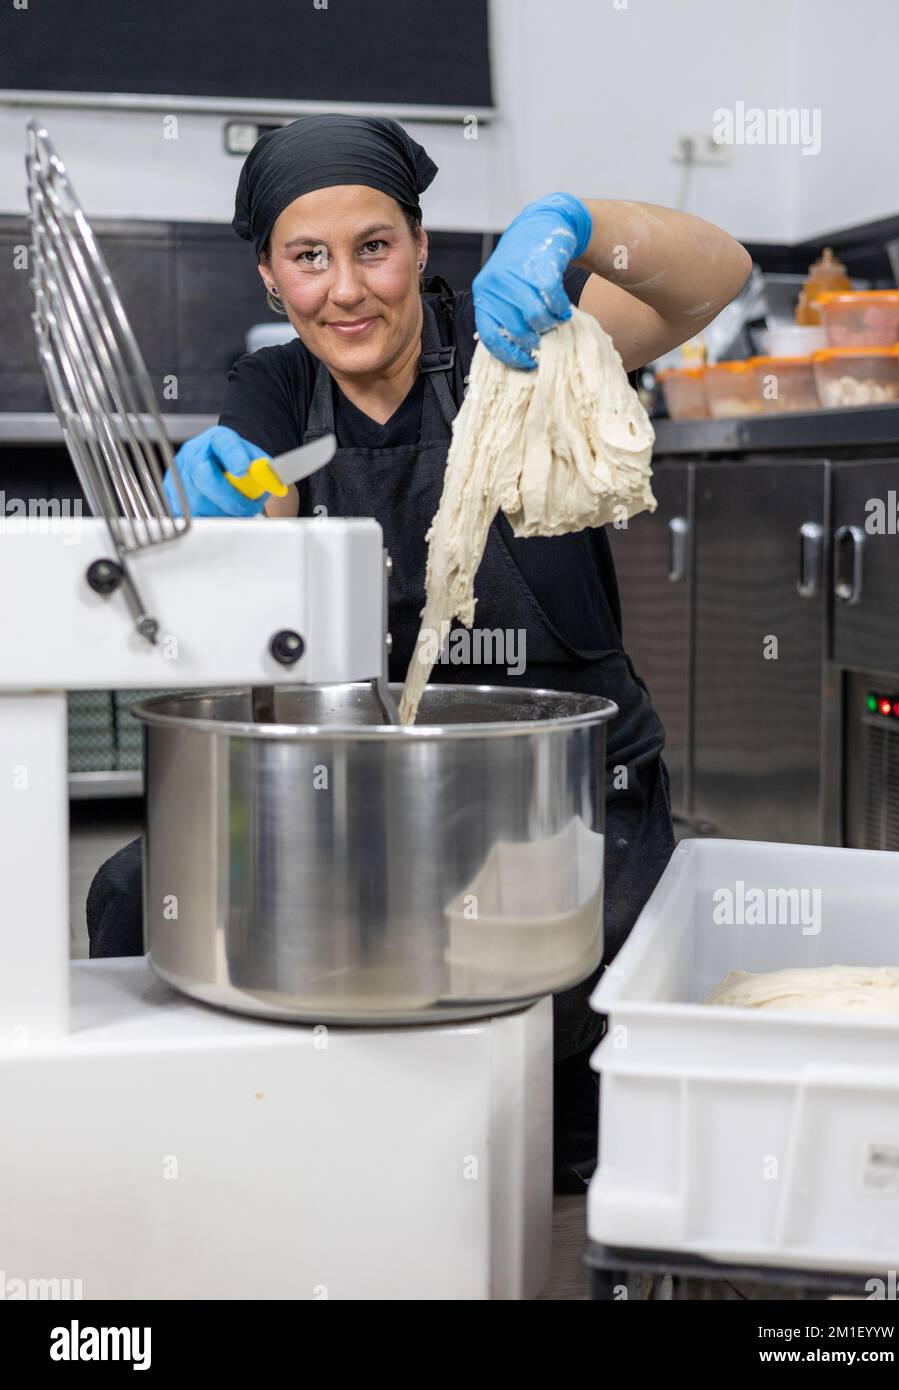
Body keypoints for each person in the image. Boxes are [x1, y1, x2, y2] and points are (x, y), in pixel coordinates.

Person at [87, 114, 752, 1190]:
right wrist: (207, 520)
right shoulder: (273, 397)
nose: (346, 291)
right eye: (308, 258)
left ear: (420, 246)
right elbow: (231, 567)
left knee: (558, 1071)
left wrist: (574, 225)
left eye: (373, 246)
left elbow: (712, 276)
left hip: (567, 806)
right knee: (132, 899)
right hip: (365, 805)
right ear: (268, 277)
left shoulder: (527, 342)